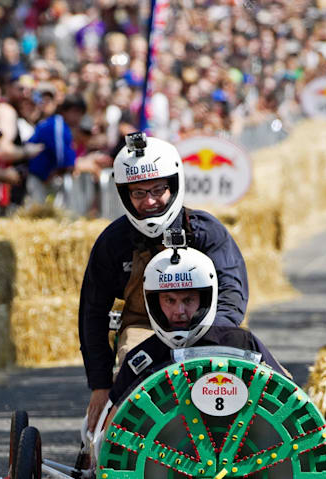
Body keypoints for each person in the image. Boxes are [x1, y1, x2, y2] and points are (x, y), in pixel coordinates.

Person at [79, 132, 249, 433]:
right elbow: (92, 313)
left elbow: (232, 292)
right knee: (134, 365)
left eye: (158, 190)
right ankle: (128, 441)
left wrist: (207, 338)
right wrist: (101, 385)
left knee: (250, 371)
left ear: (174, 185)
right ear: (124, 195)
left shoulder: (207, 232)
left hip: (208, 326)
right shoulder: (113, 242)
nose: (150, 201)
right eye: (138, 193)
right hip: (143, 328)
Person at [88, 246, 285, 441]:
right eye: (169, 300)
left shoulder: (242, 343)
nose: (179, 311)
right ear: (154, 302)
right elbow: (108, 433)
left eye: (188, 300)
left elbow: (287, 396)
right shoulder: (141, 359)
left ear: (206, 299)